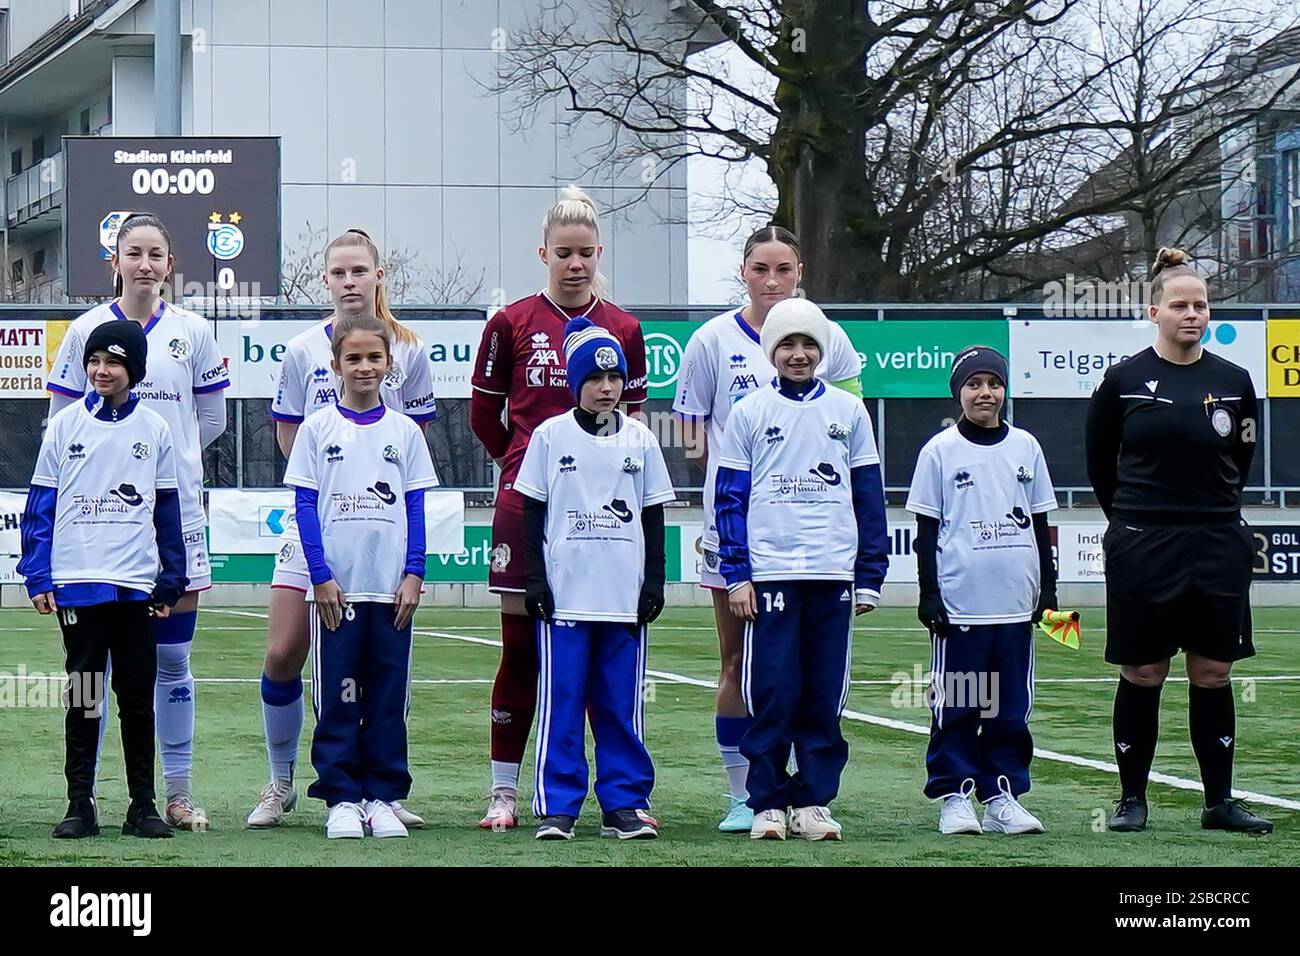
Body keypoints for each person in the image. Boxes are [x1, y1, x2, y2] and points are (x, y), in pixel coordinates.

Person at [673, 225, 864, 832]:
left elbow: (844, 430)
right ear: (744, 272)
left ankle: (805, 795)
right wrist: (738, 491)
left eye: (784, 269)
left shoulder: (830, 339)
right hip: (737, 534)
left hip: (811, 543)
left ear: (800, 271)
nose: (772, 280)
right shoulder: (710, 340)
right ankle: (743, 793)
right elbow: (691, 429)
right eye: (761, 269)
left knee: (803, 670)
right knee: (739, 661)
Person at [247, 228, 437, 830]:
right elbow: (288, 434)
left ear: (378, 275)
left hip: (378, 535)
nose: (350, 281)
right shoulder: (303, 350)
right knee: (284, 652)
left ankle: (379, 790)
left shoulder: (410, 349)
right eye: (339, 273)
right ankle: (282, 781)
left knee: (380, 665)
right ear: (326, 280)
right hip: (317, 525)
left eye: (360, 271)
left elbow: (413, 446)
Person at [470, 186, 648, 829]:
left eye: (586, 254)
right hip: (525, 509)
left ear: (598, 254)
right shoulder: (511, 322)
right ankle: (505, 791)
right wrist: (522, 469)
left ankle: (621, 796)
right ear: (543, 253)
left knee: (604, 653)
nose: (575, 264)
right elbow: (483, 417)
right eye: (563, 254)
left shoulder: (625, 330)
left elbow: (629, 424)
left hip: (602, 521)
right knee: (521, 648)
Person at [46, 212, 228, 831]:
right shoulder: (84, 331)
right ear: (115, 261)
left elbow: (210, 422)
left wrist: (162, 463)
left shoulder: (195, 331)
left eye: (156, 253)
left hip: (171, 521)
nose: (145, 264)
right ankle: (84, 799)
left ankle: (173, 794)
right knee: (89, 675)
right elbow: (64, 424)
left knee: (170, 662)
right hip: (96, 538)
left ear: (170, 264)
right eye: (133, 253)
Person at [1086, 248, 1272, 834]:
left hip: (1217, 541)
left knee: (1213, 671)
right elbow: (1099, 463)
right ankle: (1131, 800)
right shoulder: (1122, 380)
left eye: (1201, 305)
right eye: (1180, 305)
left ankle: (1219, 801)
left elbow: (1241, 455)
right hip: (1144, 541)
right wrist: (1133, 521)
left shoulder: (1234, 381)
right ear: (1154, 311)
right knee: (1144, 671)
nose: (1192, 314)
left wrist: (1215, 513)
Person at [713, 298, 888, 841]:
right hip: (769, 576)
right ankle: (766, 801)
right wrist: (737, 574)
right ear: (772, 352)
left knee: (821, 691)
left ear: (823, 350)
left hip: (833, 574)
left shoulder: (848, 411)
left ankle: (812, 801)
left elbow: (868, 495)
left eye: (808, 344)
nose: (798, 354)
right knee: (772, 690)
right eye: (787, 344)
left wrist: (870, 574)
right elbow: (729, 500)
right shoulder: (749, 412)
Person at [19, 320, 187, 839]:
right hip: (77, 581)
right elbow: (41, 504)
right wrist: (37, 573)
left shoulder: (155, 429)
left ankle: (142, 805)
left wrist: (171, 579)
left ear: (132, 370)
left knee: (136, 694)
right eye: (94, 361)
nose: (101, 370)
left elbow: (166, 510)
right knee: (85, 693)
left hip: (135, 584)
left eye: (113, 363)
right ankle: (80, 804)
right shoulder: (65, 425)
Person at [515, 317, 674, 840]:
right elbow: (531, 513)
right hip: (567, 599)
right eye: (595, 378)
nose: (607, 387)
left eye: (615, 378)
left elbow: (652, 515)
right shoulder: (548, 436)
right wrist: (535, 581)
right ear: (576, 382)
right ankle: (558, 806)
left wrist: (655, 581)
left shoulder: (641, 439)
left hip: (622, 600)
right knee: (562, 702)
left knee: (619, 706)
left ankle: (624, 804)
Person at [283, 314, 439, 839]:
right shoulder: (317, 428)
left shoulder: (405, 433)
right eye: (354, 358)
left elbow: (416, 507)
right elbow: (305, 508)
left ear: (390, 365)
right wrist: (321, 577)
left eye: (375, 357)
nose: (365, 366)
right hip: (336, 592)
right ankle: (342, 798)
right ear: (336, 366)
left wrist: (415, 572)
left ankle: (382, 795)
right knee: (339, 696)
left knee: (388, 696)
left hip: (390, 590)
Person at [906, 345, 1058, 835]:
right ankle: (955, 794)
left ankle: (1002, 796)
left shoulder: (1026, 447)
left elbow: (1040, 523)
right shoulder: (940, 451)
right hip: (961, 603)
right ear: (959, 392)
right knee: (958, 703)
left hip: (1015, 604)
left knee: (1010, 708)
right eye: (974, 384)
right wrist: (929, 593)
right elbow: (926, 529)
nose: (985, 393)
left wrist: (1048, 591)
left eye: (993, 383)